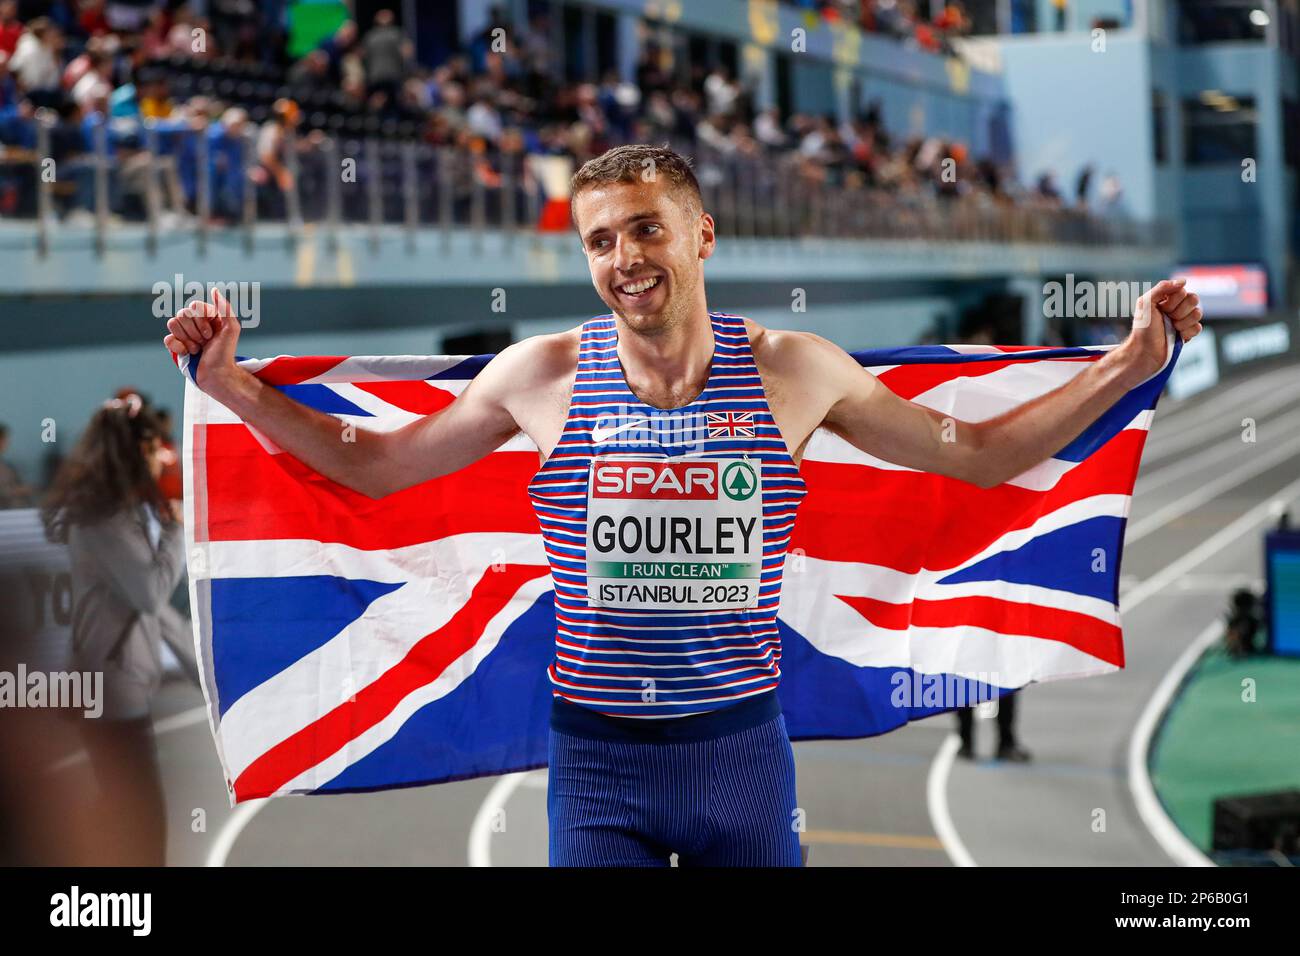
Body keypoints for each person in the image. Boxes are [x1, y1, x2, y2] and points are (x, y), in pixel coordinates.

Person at [163, 143, 1204, 867]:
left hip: (743, 756)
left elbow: (974, 456)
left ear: (701, 234)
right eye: (600, 241)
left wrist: (1126, 362)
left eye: (645, 230)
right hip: (600, 762)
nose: (624, 260)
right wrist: (232, 387)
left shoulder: (793, 371)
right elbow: (379, 465)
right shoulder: (542, 375)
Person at [39, 393, 186, 865]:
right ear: (132, 452)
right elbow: (150, 594)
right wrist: (177, 529)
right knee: (143, 820)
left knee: (125, 813)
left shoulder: (120, 515)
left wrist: (204, 668)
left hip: (117, 686)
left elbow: (155, 613)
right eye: (152, 448)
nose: (162, 458)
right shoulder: (104, 521)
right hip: (110, 690)